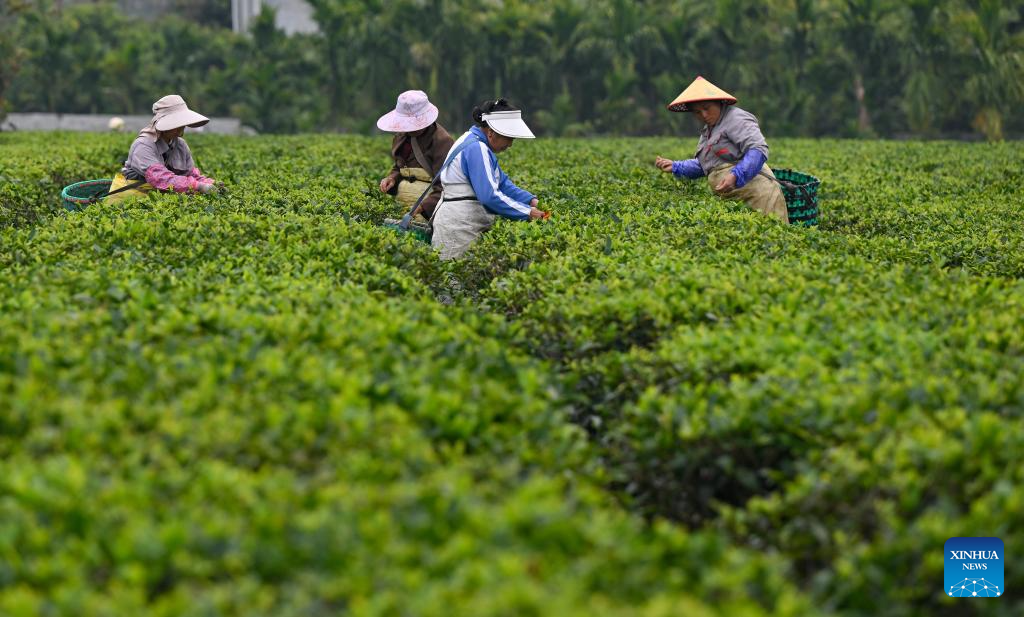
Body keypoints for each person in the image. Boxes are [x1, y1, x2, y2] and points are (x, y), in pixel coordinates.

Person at [655, 76, 788, 222]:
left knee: (771, 231)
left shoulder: (736, 119)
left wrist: (735, 176)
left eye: (707, 108)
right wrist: (676, 166)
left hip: (758, 194)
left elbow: (758, 149)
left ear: (719, 103)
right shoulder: (709, 130)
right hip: (733, 196)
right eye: (698, 112)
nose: (703, 115)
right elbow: (707, 165)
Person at [108, 95, 218, 202]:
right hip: (131, 199)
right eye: (177, 125)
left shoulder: (180, 145)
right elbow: (161, 178)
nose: (181, 129)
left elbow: (191, 174)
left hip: (159, 201)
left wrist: (211, 183)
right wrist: (197, 186)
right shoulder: (143, 145)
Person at [376, 90, 454, 221]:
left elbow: (446, 186)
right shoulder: (401, 137)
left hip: (426, 212)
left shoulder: (442, 141)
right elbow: (399, 166)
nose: (409, 128)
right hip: (401, 206)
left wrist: (423, 207)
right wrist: (392, 178)